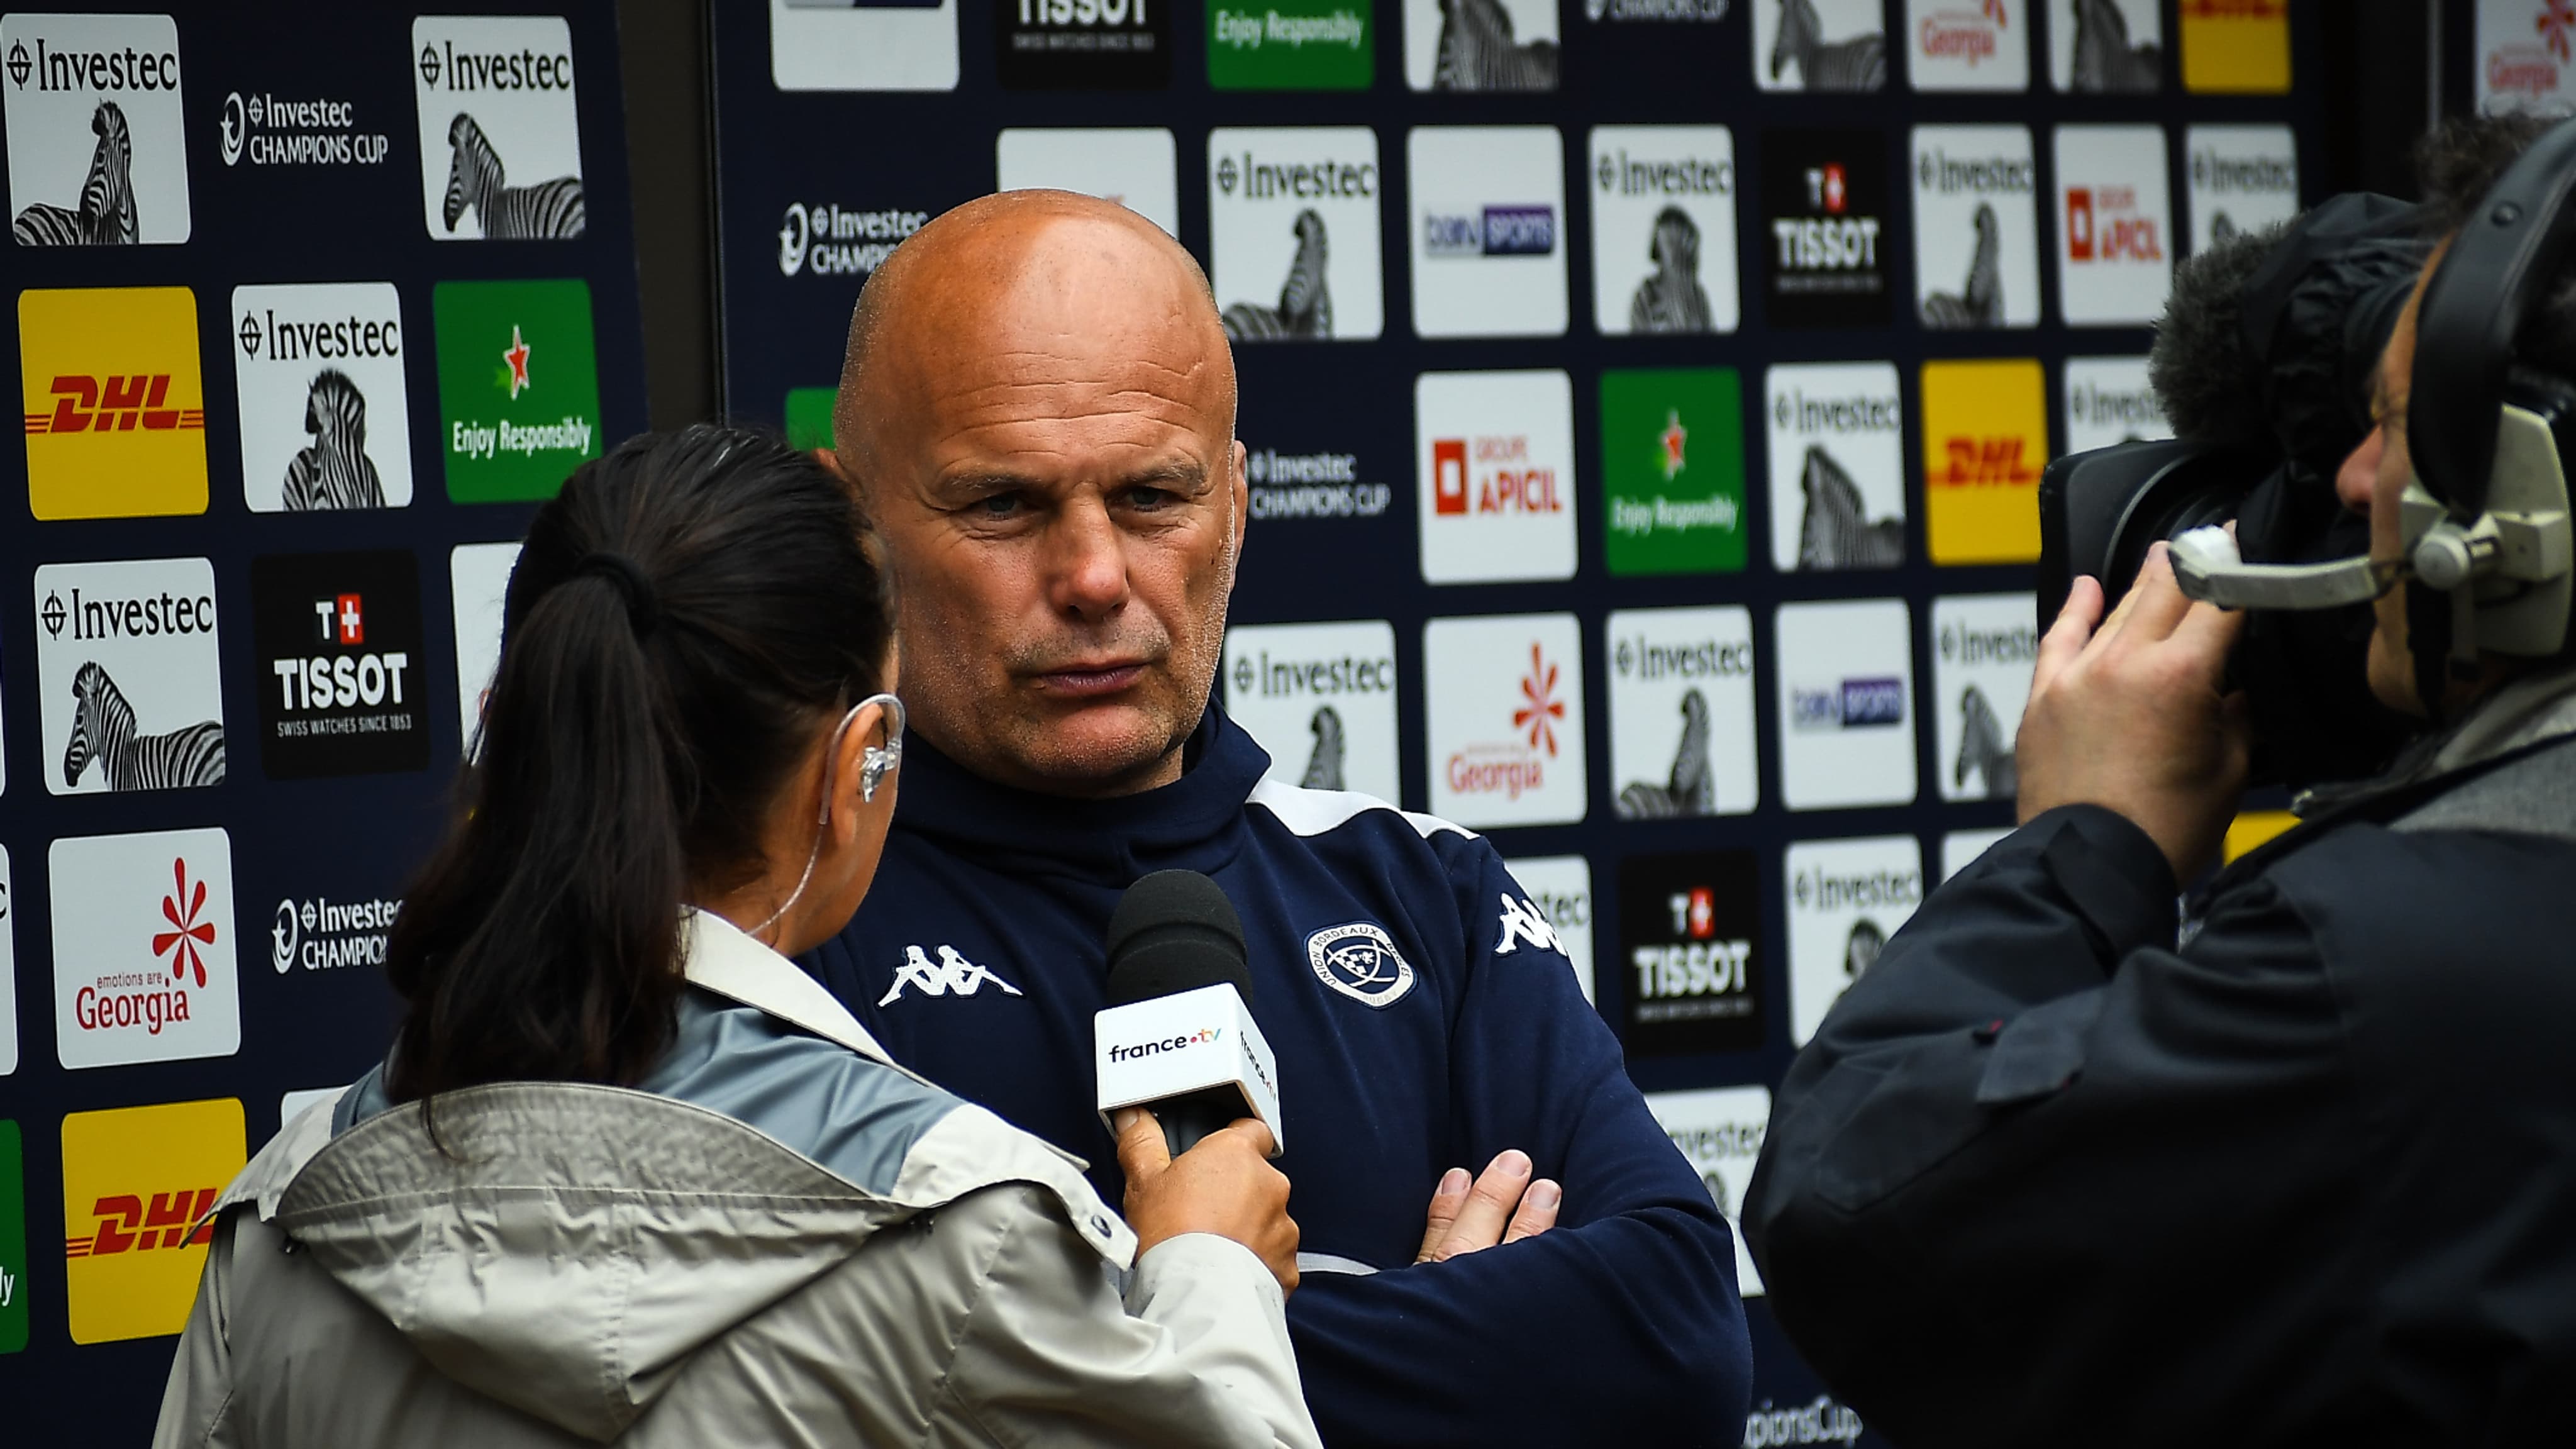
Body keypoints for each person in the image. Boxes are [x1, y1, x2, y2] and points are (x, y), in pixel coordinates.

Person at [153, 426, 1321, 1449]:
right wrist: (1205, 1269)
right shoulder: (954, 1222)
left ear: (510, 733)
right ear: (858, 760)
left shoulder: (284, 1209)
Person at [805, 189, 1752, 1446]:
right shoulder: (780, 931)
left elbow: (1675, 1342)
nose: (1093, 576)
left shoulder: (1428, 895)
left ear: (1239, 504)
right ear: (856, 526)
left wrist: (1119, 1356)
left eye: (1152, 497)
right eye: (1004, 506)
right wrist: (1445, 1342)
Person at [1745, 117, 2576, 1446]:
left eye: (2394, 421)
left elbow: (1854, 1204)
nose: (2359, 479)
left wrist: (2082, 843)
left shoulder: (2378, 975)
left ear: (2533, 481)